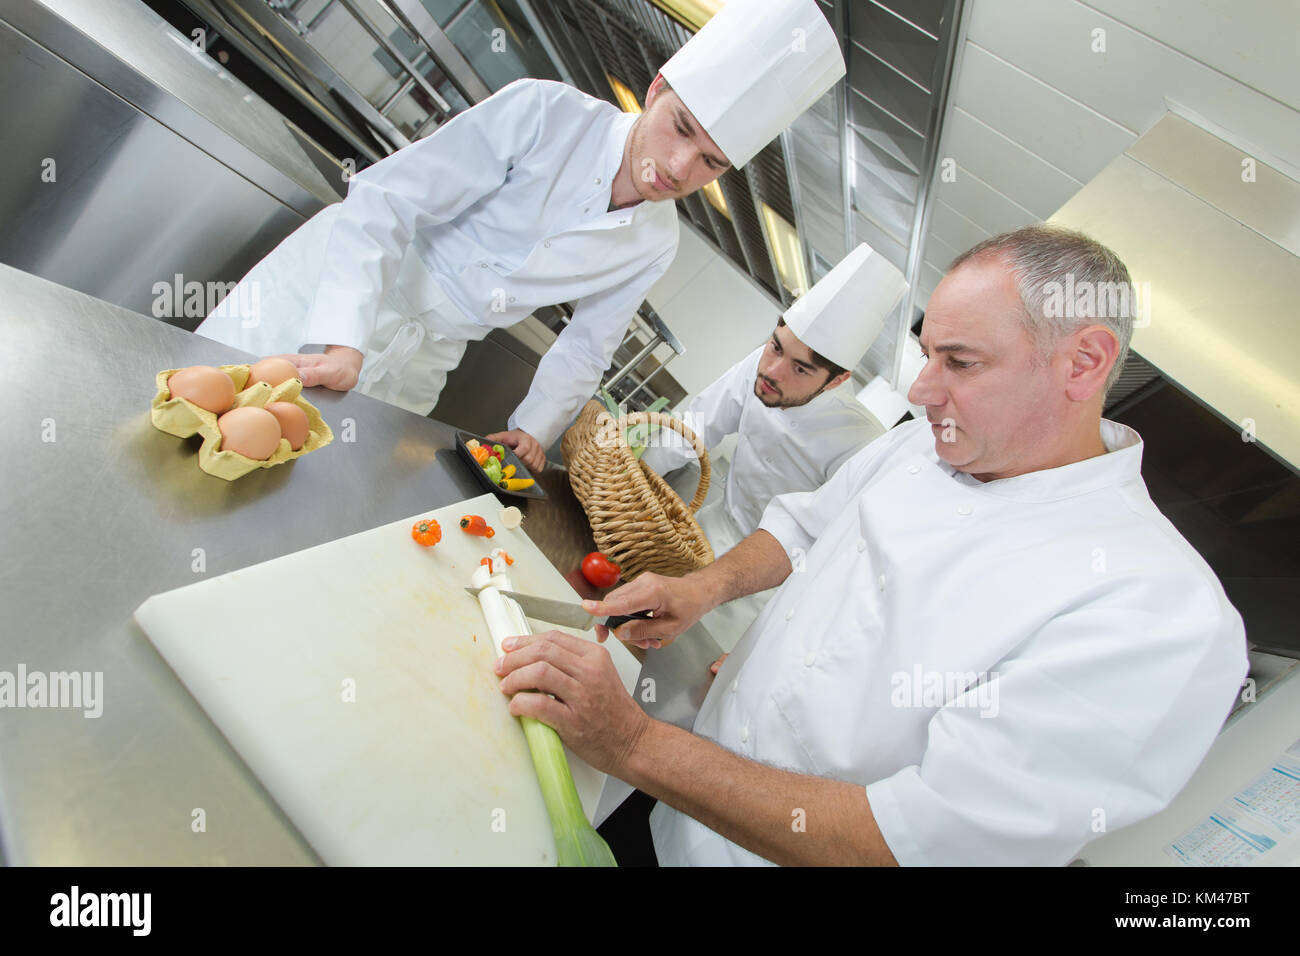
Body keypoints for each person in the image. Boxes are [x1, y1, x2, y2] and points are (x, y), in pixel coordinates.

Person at [492, 224, 1250, 865]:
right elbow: (806, 524)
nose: (920, 391)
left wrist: (630, 744)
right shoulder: (928, 444)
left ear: (1082, 363)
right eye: (929, 354)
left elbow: (909, 842)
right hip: (672, 807)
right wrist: (704, 588)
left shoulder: (1158, 613)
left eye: (960, 362)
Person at [196, 0, 845, 472]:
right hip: (336, 299)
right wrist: (342, 337)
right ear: (655, 90)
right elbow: (388, 198)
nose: (679, 168)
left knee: (310, 485)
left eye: (709, 163)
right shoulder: (545, 113)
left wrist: (535, 428)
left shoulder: (656, 242)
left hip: (427, 358)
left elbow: (587, 347)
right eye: (681, 128)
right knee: (203, 424)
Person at [640, 243, 907, 650]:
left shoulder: (861, 443)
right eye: (776, 345)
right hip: (700, 537)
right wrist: (633, 482)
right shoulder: (762, 366)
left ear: (836, 380)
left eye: (801, 368)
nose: (772, 371)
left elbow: (839, 563)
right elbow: (693, 427)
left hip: (762, 604)